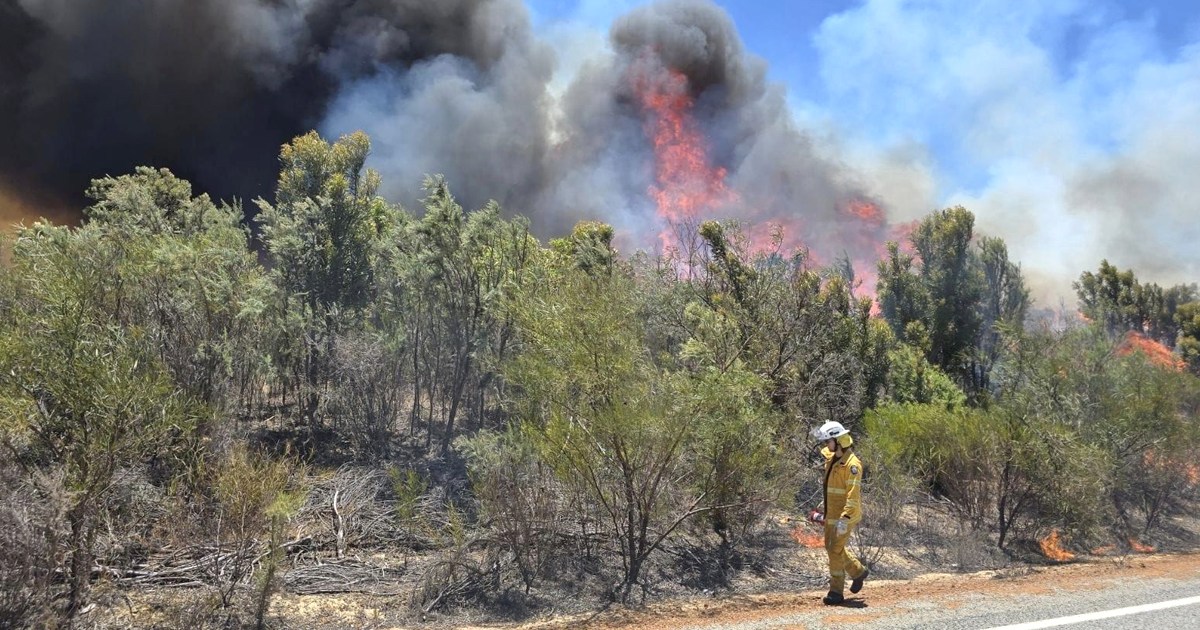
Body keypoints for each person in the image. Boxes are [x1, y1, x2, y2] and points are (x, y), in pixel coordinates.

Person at [810, 420, 868, 605]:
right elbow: (831, 488)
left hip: (845, 516)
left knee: (835, 549)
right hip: (832, 514)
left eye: (828, 441)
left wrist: (845, 518)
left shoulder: (852, 465)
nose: (826, 445)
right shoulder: (832, 458)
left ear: (838, 440)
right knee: (831, 547)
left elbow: (852, 495)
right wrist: (823, 511)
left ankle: (836, 592)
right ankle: (858, 572)